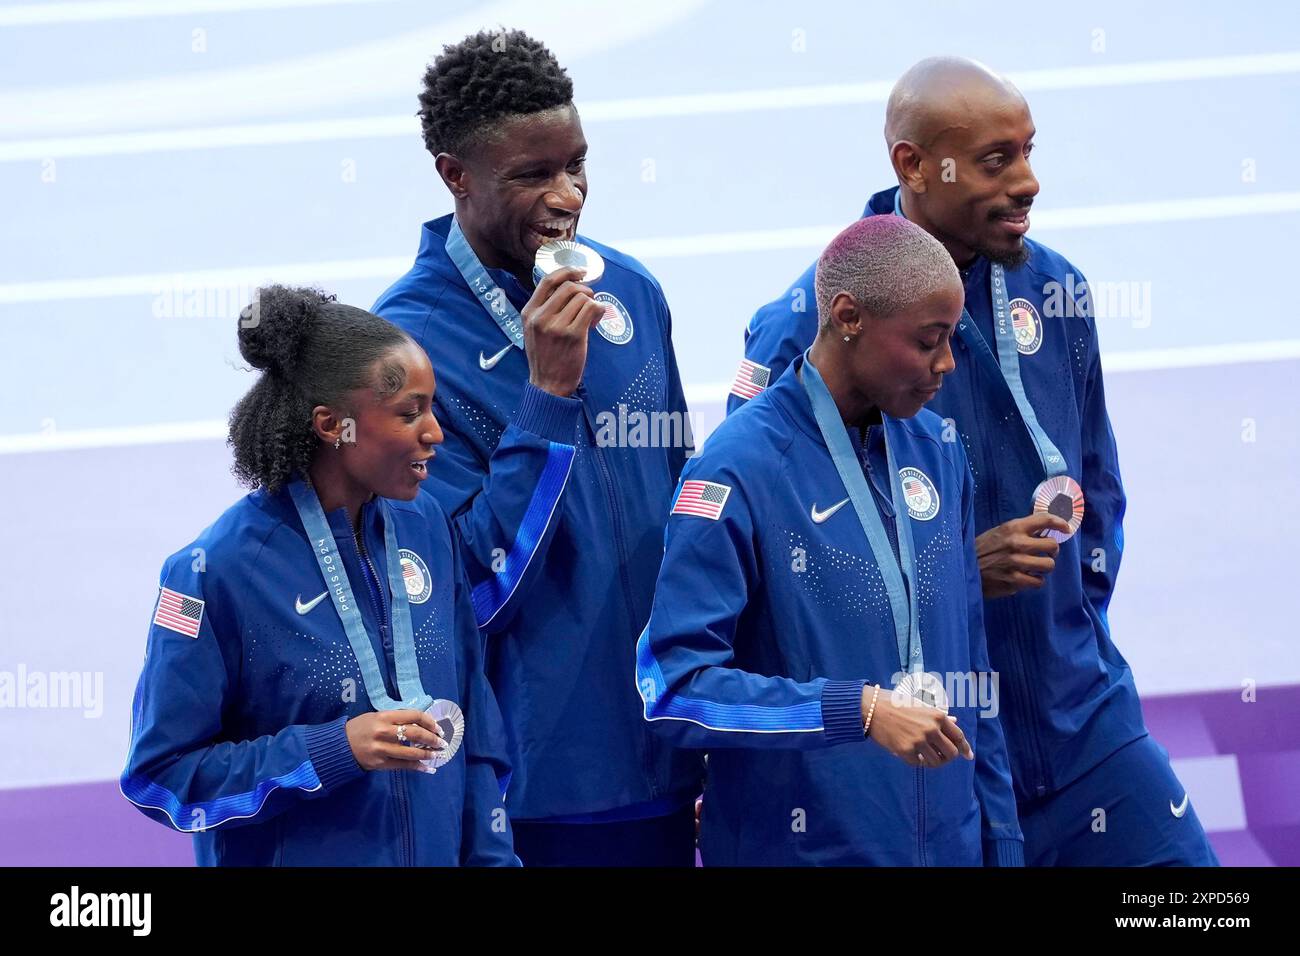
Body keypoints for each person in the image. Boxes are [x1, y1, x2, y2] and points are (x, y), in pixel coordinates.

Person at [729, 57, 1217, 866]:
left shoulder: (1056, 289)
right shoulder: (806, 326)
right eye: (997, 162)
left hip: (1084, 723)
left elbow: (1098, 490)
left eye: (1029, 152)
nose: (1028, 182)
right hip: (930, 756)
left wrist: (1076, 634)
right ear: (911, 165)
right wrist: (955, 570)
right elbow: (776, 568)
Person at [372, 30, 701, 866]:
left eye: (577, 164)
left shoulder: (629, 291)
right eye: (533, 175)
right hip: (534, 788)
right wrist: (547, 398)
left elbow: (683, 507)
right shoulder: (403, 348)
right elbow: (460, 591)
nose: (568, 196)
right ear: (455, 175)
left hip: (670, 755)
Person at [639, 216, 1024, 865]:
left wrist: (1002, 842)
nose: (947, 365)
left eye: (952, 338)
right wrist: (859, 710)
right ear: (848, 316)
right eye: (929, 341)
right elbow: (678, 690)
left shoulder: (937, 449)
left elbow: (972, 669)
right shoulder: (738, 470)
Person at [120, 285, 547, 866]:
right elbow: (164, 776)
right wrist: (332, 749)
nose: (435, 433)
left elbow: (474, 731)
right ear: (332, 425)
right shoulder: (216, 572)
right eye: (409, 412)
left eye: (433, 407)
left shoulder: (425, 527)